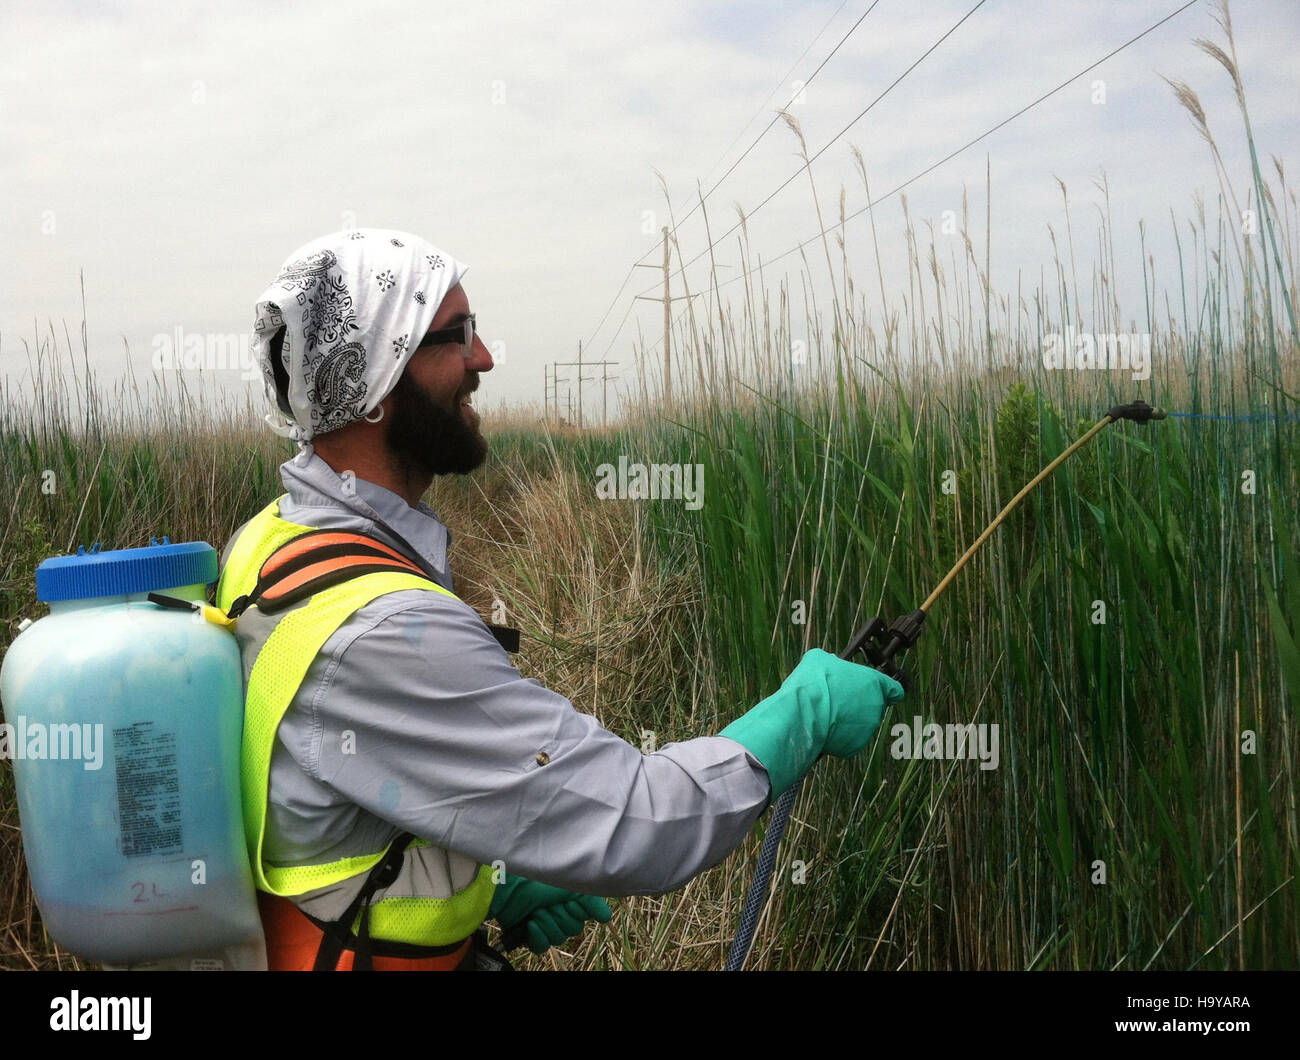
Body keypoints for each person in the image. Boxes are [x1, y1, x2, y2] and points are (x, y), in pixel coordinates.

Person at [218, 228, 905, 971]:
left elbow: (320, 800)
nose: (483, 359)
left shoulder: (269, 540)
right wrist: (796, 721)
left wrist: (492, 884)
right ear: (375, 385)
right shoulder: (382, 629)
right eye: (456, 337)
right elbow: (640, 820)